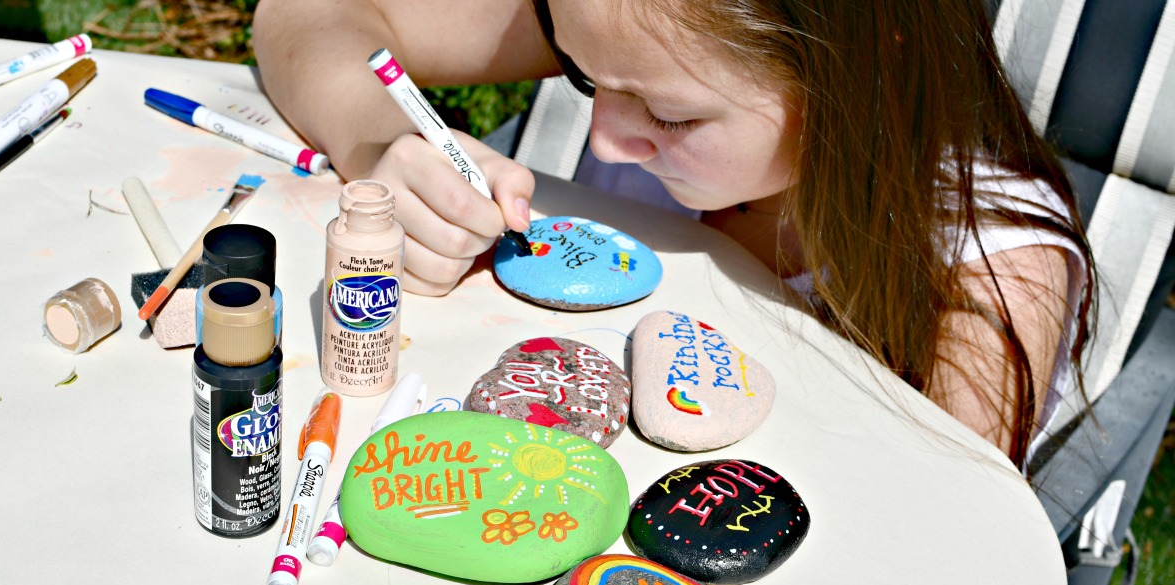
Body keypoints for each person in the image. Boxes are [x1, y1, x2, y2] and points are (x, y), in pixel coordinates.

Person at [252, 0, 1095, 471]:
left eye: (671, 114)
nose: (607, 139)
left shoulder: (991, 275)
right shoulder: (640, 21)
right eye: (582, 75)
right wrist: (381, 146)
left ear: (858, 74)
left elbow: (941, 558)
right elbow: (305, 14)